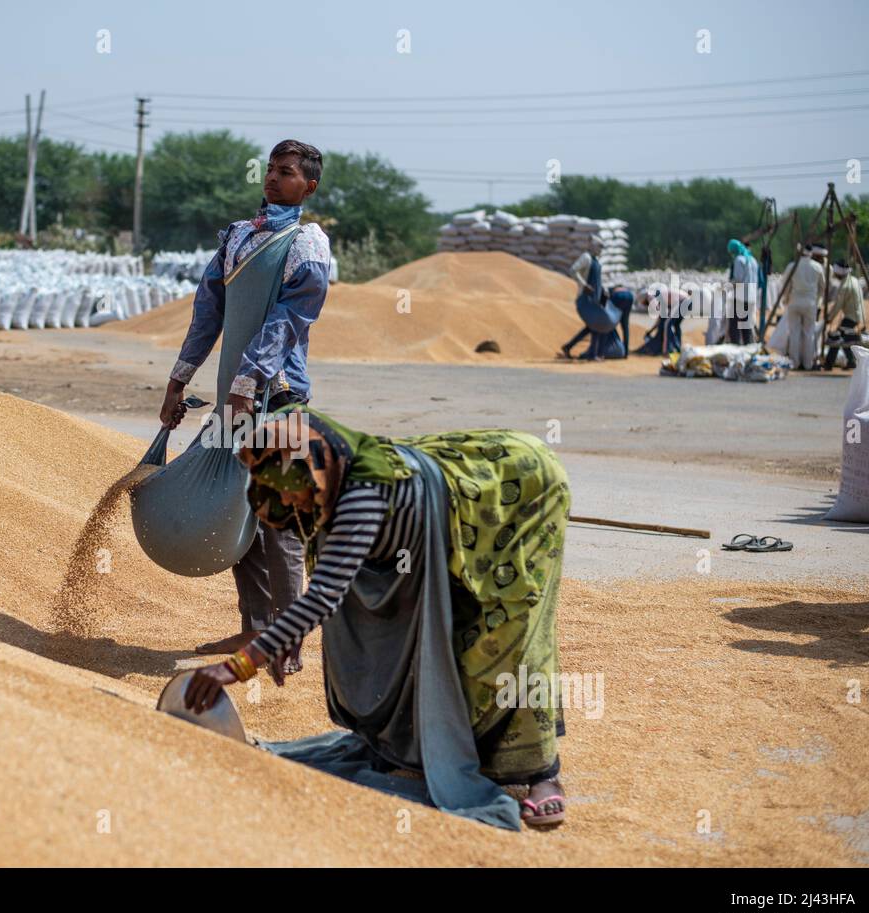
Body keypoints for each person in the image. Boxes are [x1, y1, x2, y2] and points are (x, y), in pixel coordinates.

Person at [185, 406, 571, 829]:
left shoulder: (360, 496)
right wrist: (289, 632)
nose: (292, 502)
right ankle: (447, 746)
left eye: (296, 493)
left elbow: (326, 595)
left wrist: (237, 666)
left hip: (516, 492)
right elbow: (324, 561)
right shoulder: (317, 474)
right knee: (442, 635)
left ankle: (543, 774)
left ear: (313, 472)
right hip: (446, 521)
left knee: (510, 632)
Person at [157, 140, 331, 672]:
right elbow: (207, 313)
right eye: (271, 169)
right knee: (238, 508)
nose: (273, 178)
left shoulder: (307, 245)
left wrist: (248, 379)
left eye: (287, 172)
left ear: (309, 186)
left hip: (279, 398)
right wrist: (178, 379)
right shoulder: (237, 237)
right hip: (232, 400)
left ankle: (287, 642)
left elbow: (288, 322)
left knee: (279, 524)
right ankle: (255, 629)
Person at [778, 244, 827, 370]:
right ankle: (808, 364)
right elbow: (823, 287)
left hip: (794, 301)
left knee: (794, 332)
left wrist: (786, 298)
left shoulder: (792, 266)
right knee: (809, 333)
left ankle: (794, 363)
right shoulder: (817, 267)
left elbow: (785, 283)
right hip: (810, 303)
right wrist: (817, 300)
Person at [822, 260, 867, 370]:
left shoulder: (845, 286)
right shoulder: (854, 281)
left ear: (839, 273)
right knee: (846, 339)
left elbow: (838, 305)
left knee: (836, 338)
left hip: (851, 317)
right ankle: (850, 361)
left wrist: (829, 318)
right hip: (858, 316)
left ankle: (829, 364)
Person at [725, 238, 758, 345]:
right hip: (751, 297)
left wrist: (726, 286)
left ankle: (735, 347)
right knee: (746, 325)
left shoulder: (739, 260)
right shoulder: (753, 260)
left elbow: (737, 279)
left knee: (734, 325)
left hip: (741, 297)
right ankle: (748, 346)